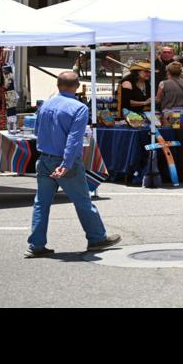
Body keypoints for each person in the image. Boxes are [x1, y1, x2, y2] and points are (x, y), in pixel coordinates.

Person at [25, 72, 121, 258]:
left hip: (44, 158)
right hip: (63, 160)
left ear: (57, 85)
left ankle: (36, 244)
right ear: (77, 86)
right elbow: (74, 139)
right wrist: (67, 163)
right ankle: (96, 237)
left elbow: (37, 131)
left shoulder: (45, 105)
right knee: (82, 201)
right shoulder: (79, 108)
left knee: (41, 203)